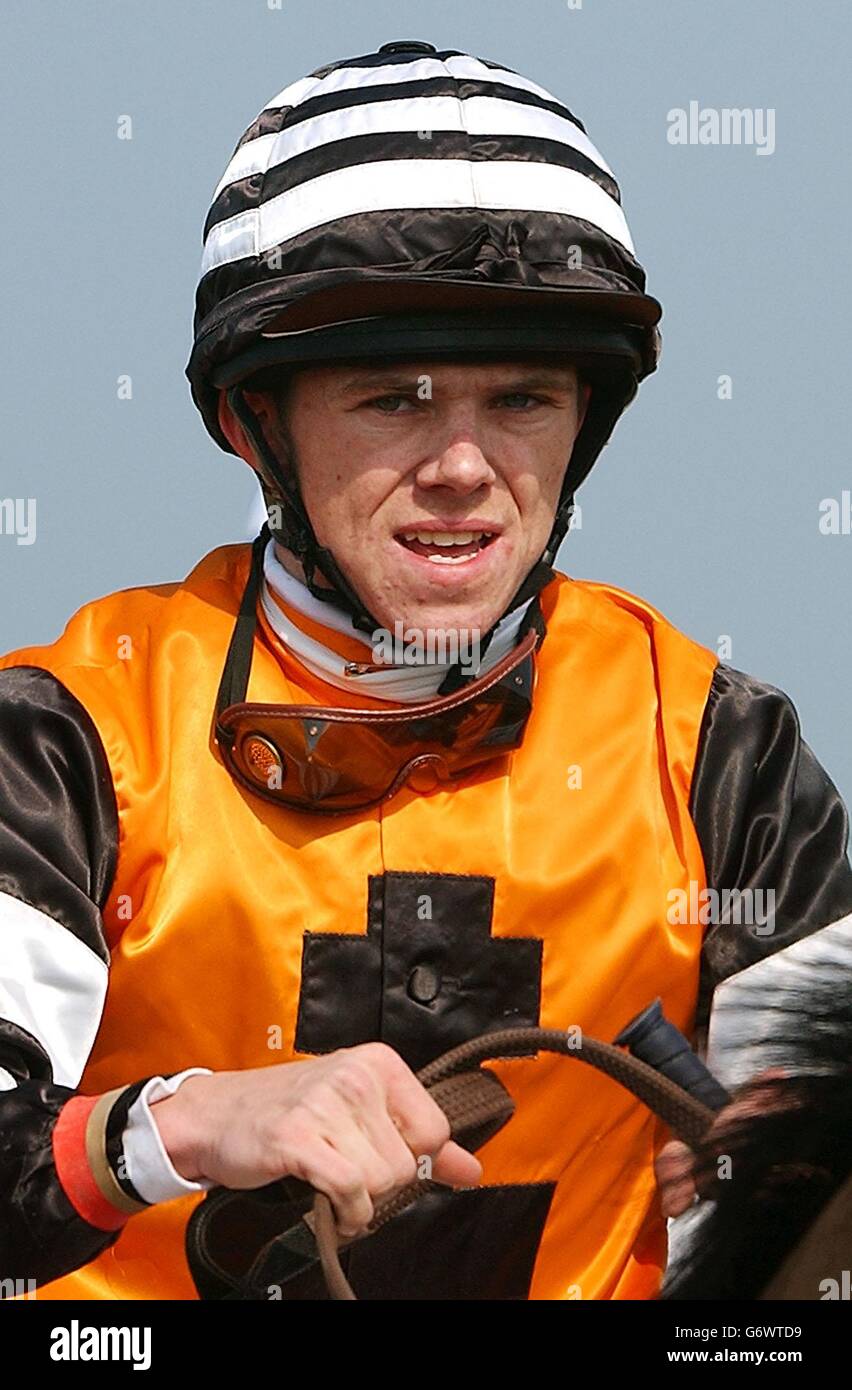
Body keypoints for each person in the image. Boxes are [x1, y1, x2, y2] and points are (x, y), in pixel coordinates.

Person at [1, 40, 850, 1302]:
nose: (463, 464)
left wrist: (787, 1191)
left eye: (521, 400)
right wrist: (178, 1125)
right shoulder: (68, 732)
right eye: (393, 398)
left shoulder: (724, 748)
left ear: (584, 429)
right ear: (256, 423)